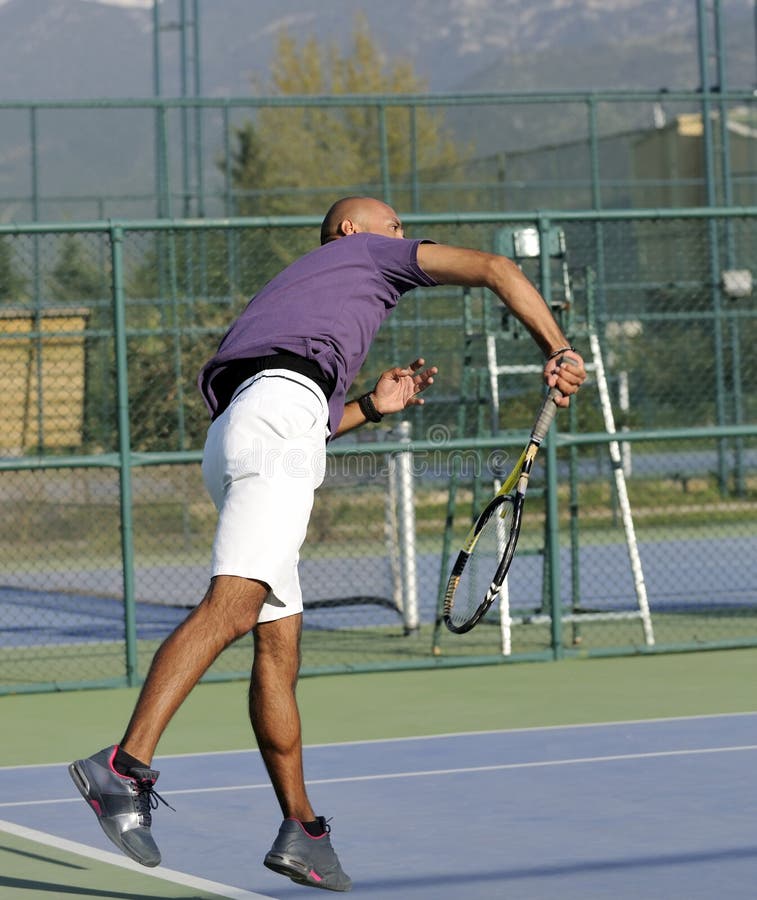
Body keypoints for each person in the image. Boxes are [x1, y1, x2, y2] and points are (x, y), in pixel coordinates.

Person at [69, 196, 586, 893]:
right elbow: (494, 268)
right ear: (350, 231)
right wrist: (558, 348)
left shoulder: (299, 292)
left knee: (277, 647)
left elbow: (291, 412)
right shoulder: (363, 253)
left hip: (249, 430)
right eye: (395, 225)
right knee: (232, 607)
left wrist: (372, 407)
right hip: (277, 421)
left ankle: (302, 830)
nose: (408, 237)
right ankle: (124, 767)